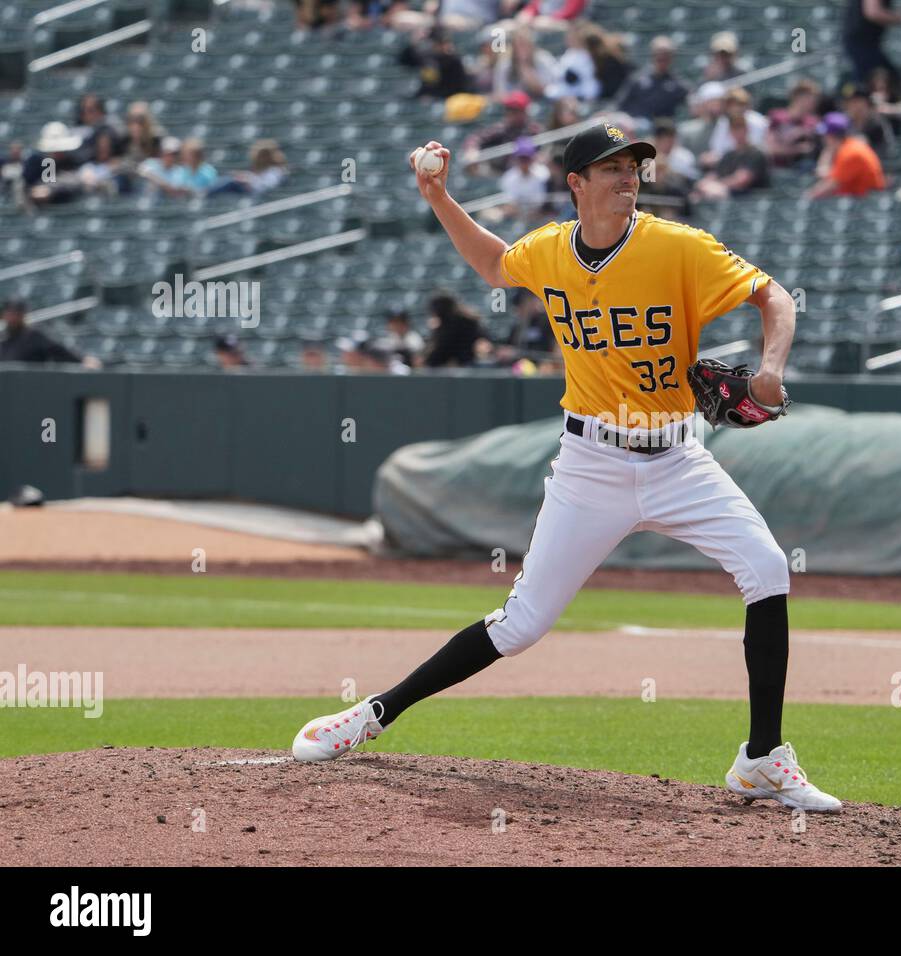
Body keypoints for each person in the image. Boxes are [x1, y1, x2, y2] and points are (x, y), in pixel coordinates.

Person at [290, 121, 843, 815]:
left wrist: (770, 368)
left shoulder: (678, 246)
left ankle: (762, 759)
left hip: (678, 457)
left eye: (635, 165)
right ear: (576, 183)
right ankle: (374, 713)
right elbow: (493, 265)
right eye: (611, 168)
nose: (629, 177)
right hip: (591, 464)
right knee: (521, 625)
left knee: (767, 569)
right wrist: (437, 194)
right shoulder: (552, 251)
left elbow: (774, 296)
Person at [805, 111, 885, 198]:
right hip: (858, 201)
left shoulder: (850, 153)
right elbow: (823, 174)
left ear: (831, 136)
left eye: (825, 135)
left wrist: (807, 197)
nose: (823, 139)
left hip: (868, 203)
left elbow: (829, 186)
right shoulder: (848, 147)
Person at [691, 115, 769, 201]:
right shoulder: (729, 155)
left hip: (748, 200)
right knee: (696, 194)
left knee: (714, 192)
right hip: (729, 198)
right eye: (734, 129)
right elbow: (716, 174)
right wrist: (705, 183)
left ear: (747, 129)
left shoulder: (756, 154)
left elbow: (742, 180)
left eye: (740, 127)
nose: (738, 132)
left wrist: (716, 184)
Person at [617, 36, 688, 121]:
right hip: (638, 124)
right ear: (652, 55)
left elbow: (691, 100)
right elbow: (619, 103)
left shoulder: (677, 83)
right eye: (659, 55)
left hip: (664, 128)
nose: (662, 59)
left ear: (671, 58)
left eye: (666, 56)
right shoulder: (638, 79)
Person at [0, 300, 92, 364]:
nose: (12, 317)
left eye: (16, 314)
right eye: (9, 313)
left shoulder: (33, 335)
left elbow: (59, 350)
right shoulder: (3, 338)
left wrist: (82, 360)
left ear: (23, 315)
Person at [843, 0, 901, 87]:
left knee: (868, 77)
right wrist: (897, 18)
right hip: (861, 42)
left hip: (864, 41)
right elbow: (873, 12)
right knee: (871, 79)